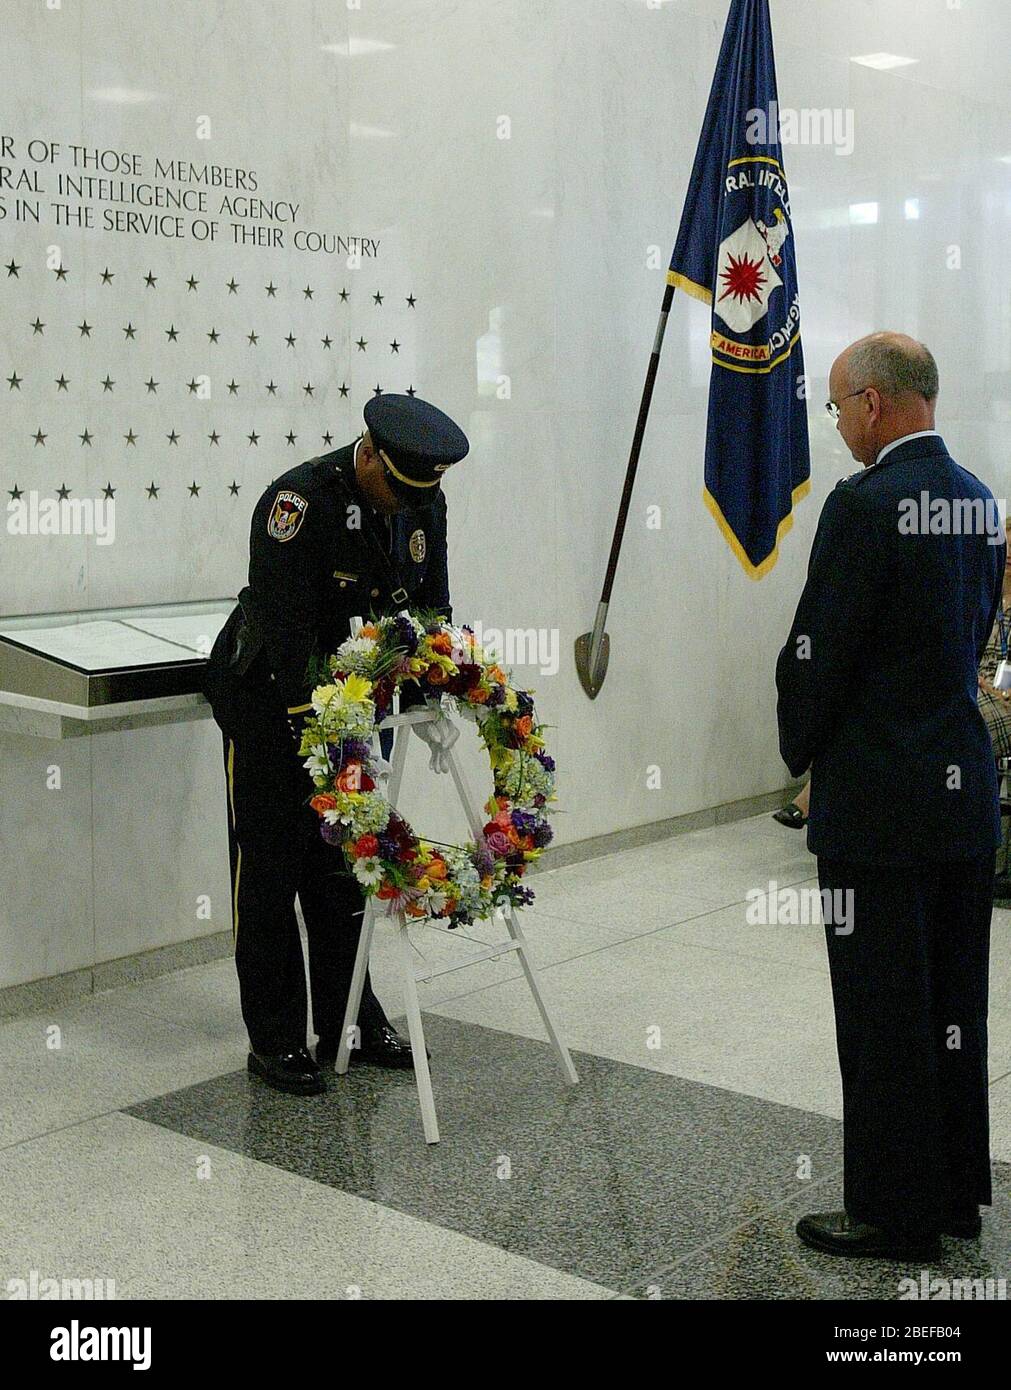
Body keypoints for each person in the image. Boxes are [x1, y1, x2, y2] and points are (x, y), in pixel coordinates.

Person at [776, 332, 1004, 1260]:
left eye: (836, 407)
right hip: (958, 793)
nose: (836, 425)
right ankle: (951, 1192)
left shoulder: (865, 506)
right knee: (952, 1002)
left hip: (877, 800)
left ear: (872, 403)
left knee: (880, 1011)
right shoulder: (980, 502)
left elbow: (816, 652)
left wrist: (801, 746)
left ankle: (889, 1210)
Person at [204, 394, 469, 1095]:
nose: (402, 505)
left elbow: (428, 599)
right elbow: (285, 625)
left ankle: (350, 1020)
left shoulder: (421, 500)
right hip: (270, 699)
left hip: (354, 704)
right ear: (369, 454)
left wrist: (432, 686)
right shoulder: (297, 503)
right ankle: (276, 1038)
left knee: (341, 870)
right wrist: (308, 723)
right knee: (270, 870)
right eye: (395, 488)